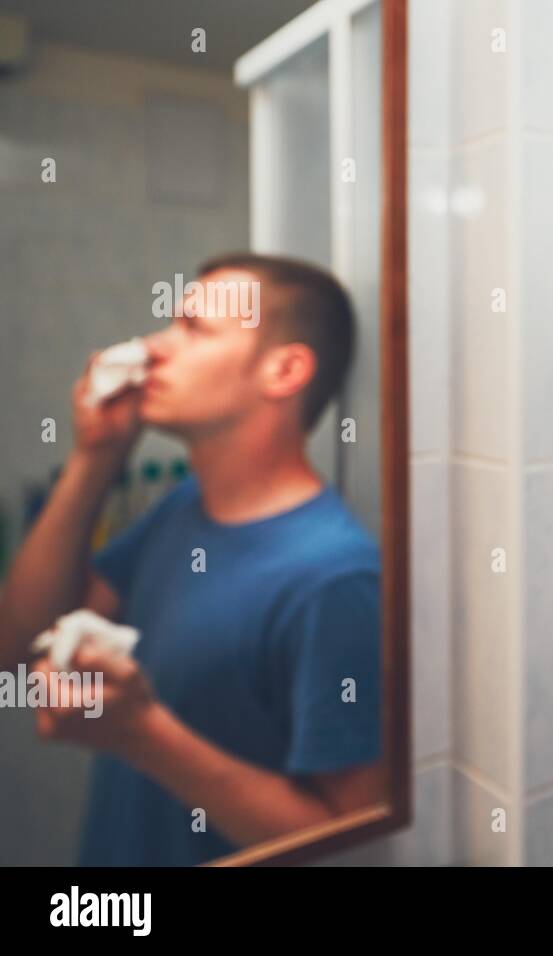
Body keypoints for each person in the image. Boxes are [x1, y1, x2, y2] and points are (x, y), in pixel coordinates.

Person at [0, 253, 383, 866]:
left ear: (284, 370)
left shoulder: (334, 577)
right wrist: (95, 458)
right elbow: (19, 644)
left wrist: (143, 734)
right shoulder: (182, 511)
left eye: (193, 329)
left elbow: (352, 839)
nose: (153, 348)